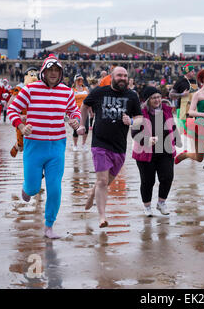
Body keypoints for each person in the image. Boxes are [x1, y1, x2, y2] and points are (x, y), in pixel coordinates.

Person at [7, 54, 81, 239]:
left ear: (61, 72)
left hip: (57, 147)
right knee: (32, 189)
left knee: (55, 188)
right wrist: (22, 126)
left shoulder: (67, 92)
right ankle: (27, 188)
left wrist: (75, 120)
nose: (54, 73)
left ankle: (49, 226)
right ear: (43, 71)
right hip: (34, 146)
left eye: (57, 70)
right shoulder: (30, 90)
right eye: (50, 70)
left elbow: (74, 111)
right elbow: (12, 109)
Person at [78, 67, 142, 228]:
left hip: (119, 146)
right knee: (102, 180)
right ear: (112, 77)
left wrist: (132, 122)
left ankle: (93, 193)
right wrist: (81, 125)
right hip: (100, 143)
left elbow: (140, 118)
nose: (123, 78)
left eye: (125, 75)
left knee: (105, 183)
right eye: (120, 75)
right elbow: (84, 106)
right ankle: (102, 217)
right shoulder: (99, 92)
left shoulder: (132, 96)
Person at [131, 86, 179, 217]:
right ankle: (147, 206)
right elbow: (134, 133)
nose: (157, 100)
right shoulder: (140, 113)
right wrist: (147, 140)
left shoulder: (167, 110)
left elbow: (173, 126)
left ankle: (161, 203)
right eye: (153, 98)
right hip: (145, 152)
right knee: (148, 181)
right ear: (147, 100)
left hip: (165, 150)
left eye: (158, 97)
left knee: (167, 177)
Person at [169, 64, 197, 134]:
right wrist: (182, 94)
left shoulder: (194, 81)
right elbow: (171, 95)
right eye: (192, 71)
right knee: (182, 131)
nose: (194, 73)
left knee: (192, 131)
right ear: (187, 72)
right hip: (181, 109)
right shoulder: (180, 81)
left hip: (192, 109)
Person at [72, 74, 90, 152]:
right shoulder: (72, 90)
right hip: (76, 112)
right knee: (76, 128)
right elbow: (69, 101)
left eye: (81, 79)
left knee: (86, 128)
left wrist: (91, 111)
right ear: (75, 81)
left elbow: (90, 100)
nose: (80, 81)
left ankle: (83, 143)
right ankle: (75, 145)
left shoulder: (86, 89)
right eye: (78, 79)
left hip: (85, 111)